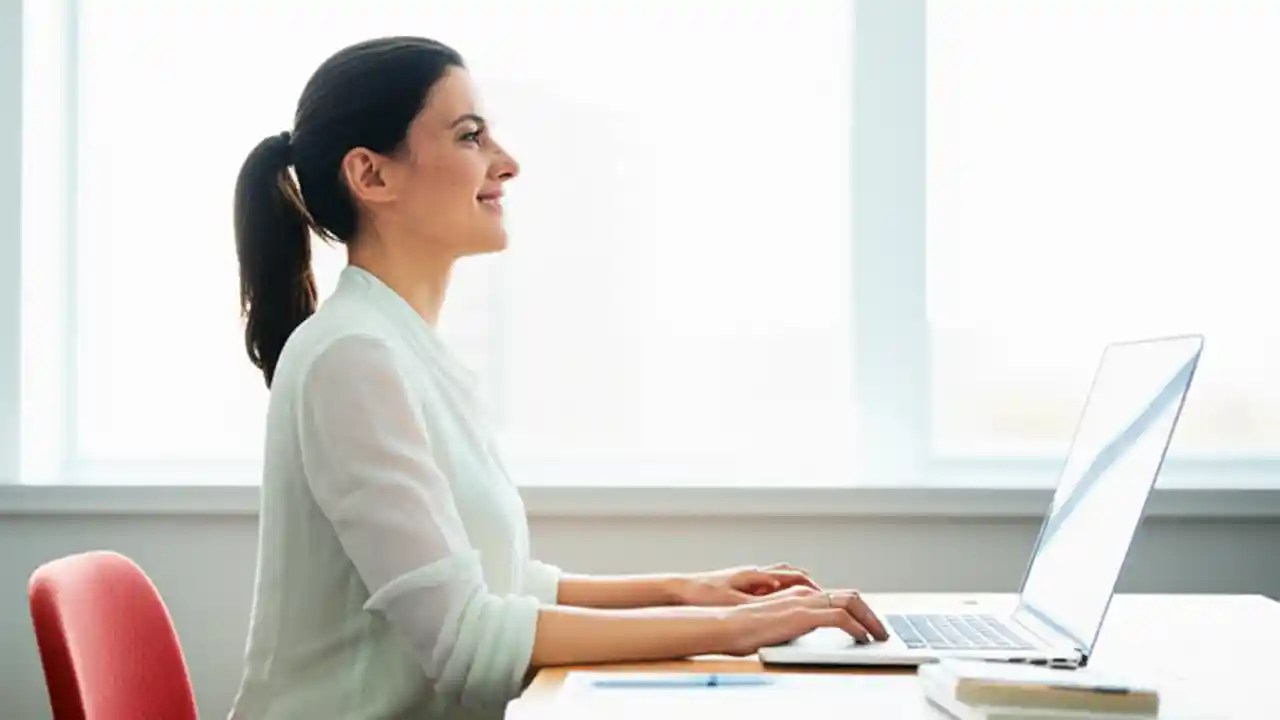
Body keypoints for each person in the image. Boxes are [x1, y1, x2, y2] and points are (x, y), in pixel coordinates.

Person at [228, 36, 887, 720]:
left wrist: (684, 591)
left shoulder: (398, 348)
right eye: (470, 136)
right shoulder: (352, 357)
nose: (506, 163)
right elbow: (466, 638)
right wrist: (741, 629)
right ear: (371, 175)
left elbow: (500, 585)